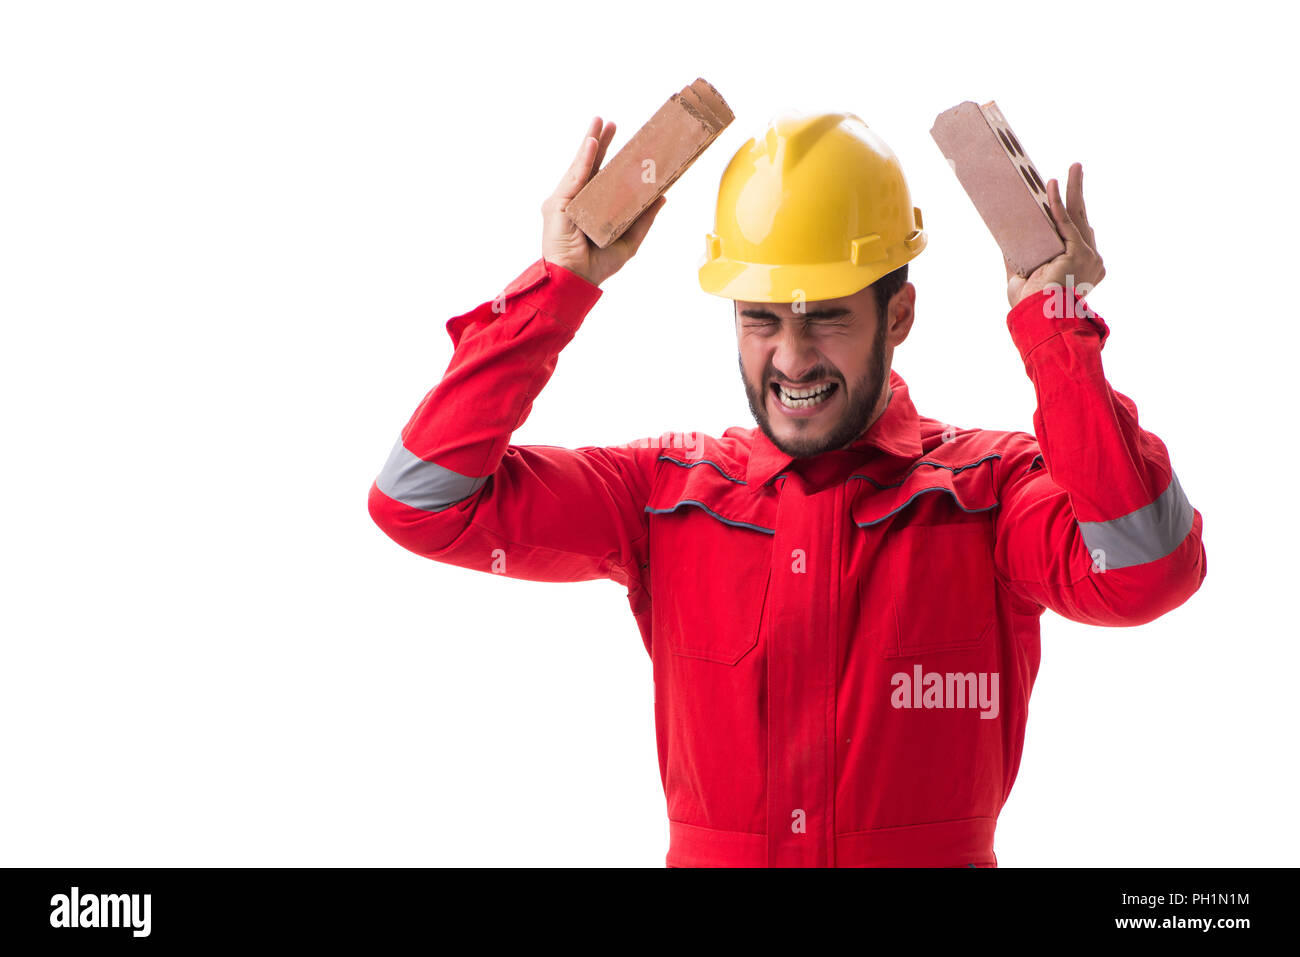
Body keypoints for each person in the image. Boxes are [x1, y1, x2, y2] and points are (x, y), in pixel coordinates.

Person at [367, 111, 1208, 867]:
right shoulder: (662, 495)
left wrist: (1054, 328)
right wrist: (558, 288)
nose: (792, 357)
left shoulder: (987, 491)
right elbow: (421, 499)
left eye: (827, 316)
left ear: (899, 315)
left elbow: (1147, 568)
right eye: (760, 318)